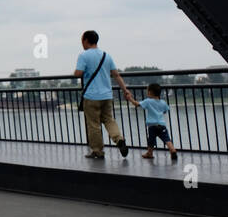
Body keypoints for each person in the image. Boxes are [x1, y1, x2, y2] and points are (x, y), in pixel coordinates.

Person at [73, 30, 132, 159]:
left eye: (82, 40)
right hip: (107, 95)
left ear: (86, 40)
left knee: (93, 124)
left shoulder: (84, 56)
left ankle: (97, 151)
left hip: (91, 96)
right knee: (109, 120)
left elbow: (78, 73)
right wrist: (125, 90)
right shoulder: (106, 55)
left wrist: (78, 71)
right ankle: (119, 139)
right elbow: (116, 74)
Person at [127, 82, 177, 161]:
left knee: (151, 140)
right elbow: (165, 111)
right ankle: (172, 149)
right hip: (162, 125)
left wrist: (130, 99)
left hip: (152, 126)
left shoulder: (148, 101)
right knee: (167, 139)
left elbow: (137, 104)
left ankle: (150, 153)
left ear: (150, 92)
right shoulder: (163, 102)